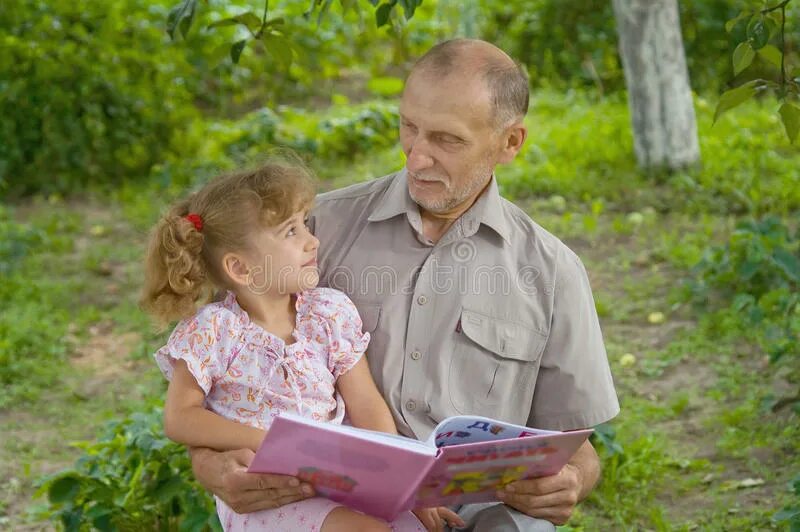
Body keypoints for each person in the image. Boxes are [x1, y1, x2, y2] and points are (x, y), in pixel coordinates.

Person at [189, 39, 620, 531]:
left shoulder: (553, 272)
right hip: (340, 507)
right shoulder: (313, 232)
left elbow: (576, 447)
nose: (416, 158)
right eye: (408, 128)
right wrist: (212, 466)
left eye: (447, 140)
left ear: (510, 142)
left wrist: (572, 481)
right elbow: (216, 382)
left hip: (483, 516)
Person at [141, 163, 463, 531]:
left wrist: (403, 484)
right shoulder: (213, 330)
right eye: (290, 232)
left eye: (304, 225)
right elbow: (180, 418)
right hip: (271, 493)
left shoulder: (327, 312)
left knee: (416, 526)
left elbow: (366, 404)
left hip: (340, 479)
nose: (312, 241)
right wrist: (269, 443)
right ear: (241, 269)